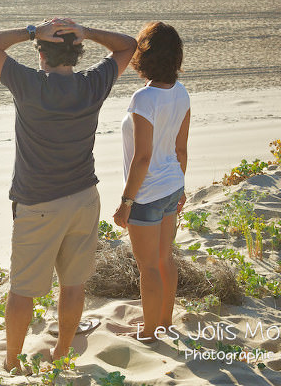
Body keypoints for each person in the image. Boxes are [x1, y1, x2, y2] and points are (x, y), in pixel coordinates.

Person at [0, 18, 137, 371]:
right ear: (77, 52)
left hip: (39, 203)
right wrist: (88, 31)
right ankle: (62, 351)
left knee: (22, 290)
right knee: (73, 283)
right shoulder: (93, 83)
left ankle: (13, 361)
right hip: (83, 197)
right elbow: (128, 45)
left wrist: (32, 31)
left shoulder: (30, 84)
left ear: (42, 53)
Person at [111, 21, 190, 342]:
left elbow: (142, 158)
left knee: (148, 268)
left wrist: (125, 203)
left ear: (146, 57)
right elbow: (181, 150)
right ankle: (165, 322)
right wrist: (181, 188)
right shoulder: (182, 92)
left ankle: (149, 331)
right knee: (164, 259)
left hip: (146, 195)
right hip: (172, 186)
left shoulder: (143, 100)